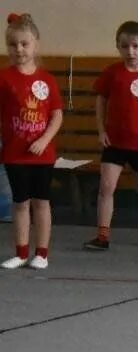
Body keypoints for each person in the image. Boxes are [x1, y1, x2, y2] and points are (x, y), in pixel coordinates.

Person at [84, 20, 138, 251]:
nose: (131, 51)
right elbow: (101, 101)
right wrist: (101, 130)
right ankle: (102, 235)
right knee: (106, 187)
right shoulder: (112, 73)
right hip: (115, 142)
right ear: (118, 47)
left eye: (135, 46)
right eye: (125, 46)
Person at [0, 13, 62, 270]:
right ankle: (21, 252)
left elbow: (56, 115)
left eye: (24, 44)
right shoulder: (4, 78)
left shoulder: (46, 79)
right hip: (15, 153)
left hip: (42, 154)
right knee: (20, 203)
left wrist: (44, 140)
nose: (19, 49)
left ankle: (42, 253)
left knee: (41, 203)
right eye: (13, 44)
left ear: (35, 44)